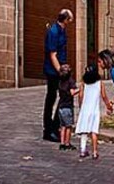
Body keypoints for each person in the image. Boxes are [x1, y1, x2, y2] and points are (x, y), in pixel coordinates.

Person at [42, 8, 73, 142]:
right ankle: (48, 130)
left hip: (59, 69)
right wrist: (61, 71)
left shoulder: (62, 30)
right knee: (52, 98)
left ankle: (56, 126)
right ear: (65, 19)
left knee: (62, 97)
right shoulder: (54, 32)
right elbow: (52, 55)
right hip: (53, 71)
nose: (71, 21)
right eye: (70, 18)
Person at [76, 62, 113, 159]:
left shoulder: (84, 83)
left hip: (85, 108)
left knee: (84, 130)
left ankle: (83, 150)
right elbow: (104, 96)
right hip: (94, 110)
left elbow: (80, 95)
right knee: (94, 131)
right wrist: (108, 106)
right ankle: (95, 152)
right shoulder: (100, 83)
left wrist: (80, 105)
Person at [57, 64, 78, 151]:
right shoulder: (70, 81)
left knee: (62, 126)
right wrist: (80, 89)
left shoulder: (60, 81)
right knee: (68, 126)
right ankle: (67, 143)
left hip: (60, 106)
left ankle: (61, 143)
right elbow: (72, 92)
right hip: (68, 106)